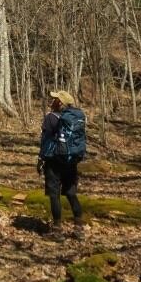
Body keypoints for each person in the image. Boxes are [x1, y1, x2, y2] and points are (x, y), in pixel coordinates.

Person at [37, 90, 84, 238]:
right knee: (71, 193)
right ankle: (79, 228)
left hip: (54, 160)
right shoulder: (76, 118)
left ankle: (57, 230)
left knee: (54, 195)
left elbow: (45, 140)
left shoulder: (50, 118)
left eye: (55, 99)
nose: (52, 101)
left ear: (59, 103)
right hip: (71, 160)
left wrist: (40, 159)